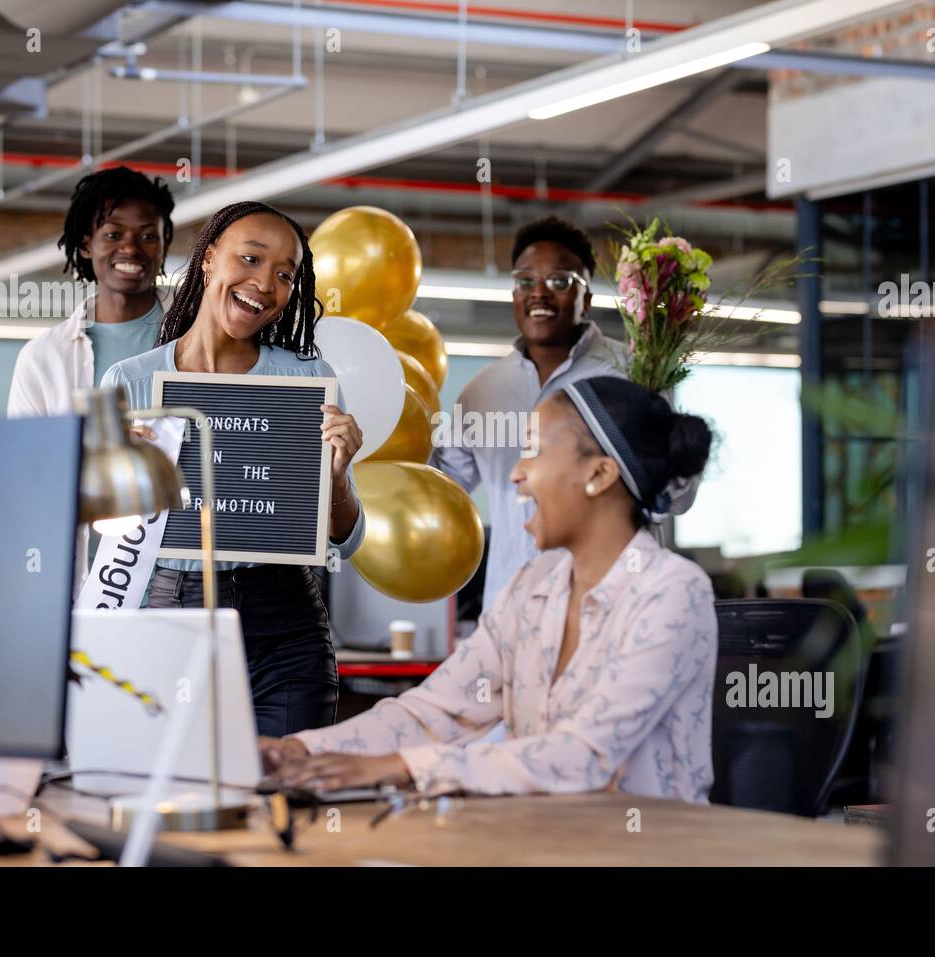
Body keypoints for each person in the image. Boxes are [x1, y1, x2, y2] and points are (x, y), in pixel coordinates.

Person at [261, 376, 717, 802]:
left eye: (533, 450)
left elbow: (583, 757)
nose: (516, 473)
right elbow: (437, 711)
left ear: (598, 475)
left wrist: (401, 767)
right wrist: (301, 748)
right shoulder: (534, 586)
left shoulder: (673, 592)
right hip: (546, 846)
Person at [100, 201, 365, 737]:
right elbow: (105, 537)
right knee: (175, 801)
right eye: (250, 258)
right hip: (167, 617)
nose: (265, 283)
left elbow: (347, 539)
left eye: (285, 274)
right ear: (209, 259)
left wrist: (334, 476)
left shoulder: (307, 378)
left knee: (283, 799)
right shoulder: (132, 382)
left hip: (283, 625)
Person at [431, 215, 695, 612]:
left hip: (615, 605)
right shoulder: (482, 392)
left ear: (586, 298)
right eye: (525, 281)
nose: (539, 293)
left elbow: (679, 496)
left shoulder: (633, 373)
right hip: (512, 611)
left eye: (559, 281)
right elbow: (440, 490)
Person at [7, 166, 175, 586]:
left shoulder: (197, 334)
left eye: (147, 234)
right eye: (113, 234)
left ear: (164, 244)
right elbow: (23, 474)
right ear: (86, 244)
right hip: (95, 581)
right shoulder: (44, 358)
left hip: (183, 572)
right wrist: (102, 454)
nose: (131, 248)